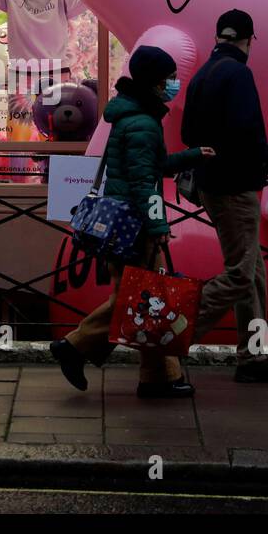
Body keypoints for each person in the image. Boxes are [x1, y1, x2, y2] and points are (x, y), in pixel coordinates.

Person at [51, 45, 215, 398]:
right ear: (155, 82)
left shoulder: (133, 117)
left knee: (141, 298)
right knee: (140, 299)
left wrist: (190, 156)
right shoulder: (143, 123)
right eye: (170, 78)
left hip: (122, 223)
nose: (174, 83)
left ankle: (156, 377)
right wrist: (158, 226)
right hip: (135, 227)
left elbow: (149, 168)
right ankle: (77, 347)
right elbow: (145, 184)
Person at [181, 9, 268, 383]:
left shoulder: (202, 75)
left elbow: (187, 133)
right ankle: (174, 332)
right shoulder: (239, 73)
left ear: (218, 37)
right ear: (248, 40)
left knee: (253, 271)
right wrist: (257, 166)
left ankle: (253, 357)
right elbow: (247, 132)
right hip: (236, 188)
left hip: (212, 185)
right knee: (242, 273)